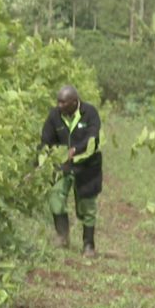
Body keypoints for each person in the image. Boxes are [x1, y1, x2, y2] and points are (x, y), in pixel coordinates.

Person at [39, 85, 103, 256]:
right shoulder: (54, 115)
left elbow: (93, 136)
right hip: (63, 166)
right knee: (56, 197)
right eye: (58, 102)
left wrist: (75, 150)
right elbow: (45, 141)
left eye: (63, 102)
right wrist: (39, 163)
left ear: (74, 102)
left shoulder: (90, 113)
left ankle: (88, 245)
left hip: (87, 166)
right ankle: (62, 236)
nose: (59, 105)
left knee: (86, 206)